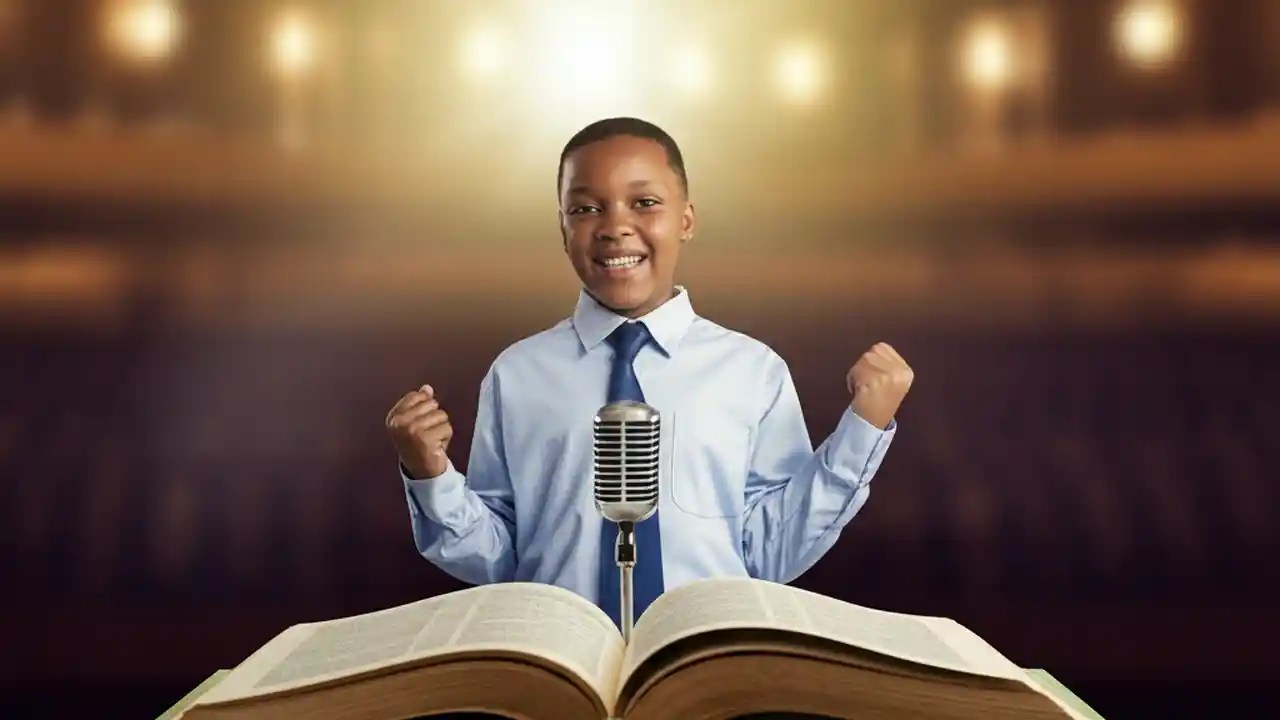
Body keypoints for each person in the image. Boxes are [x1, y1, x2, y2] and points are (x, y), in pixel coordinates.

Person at [385, 117, 913, 627]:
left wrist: (862, 429)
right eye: (586, 208)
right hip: (561, 668)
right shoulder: (517, 375)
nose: (615, 226)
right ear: (562, 228)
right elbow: (502, 561)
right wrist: (430, 475)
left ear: (685, 219)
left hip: (701, 669)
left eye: (645, 203)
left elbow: (768, 555)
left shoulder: (752, 372)